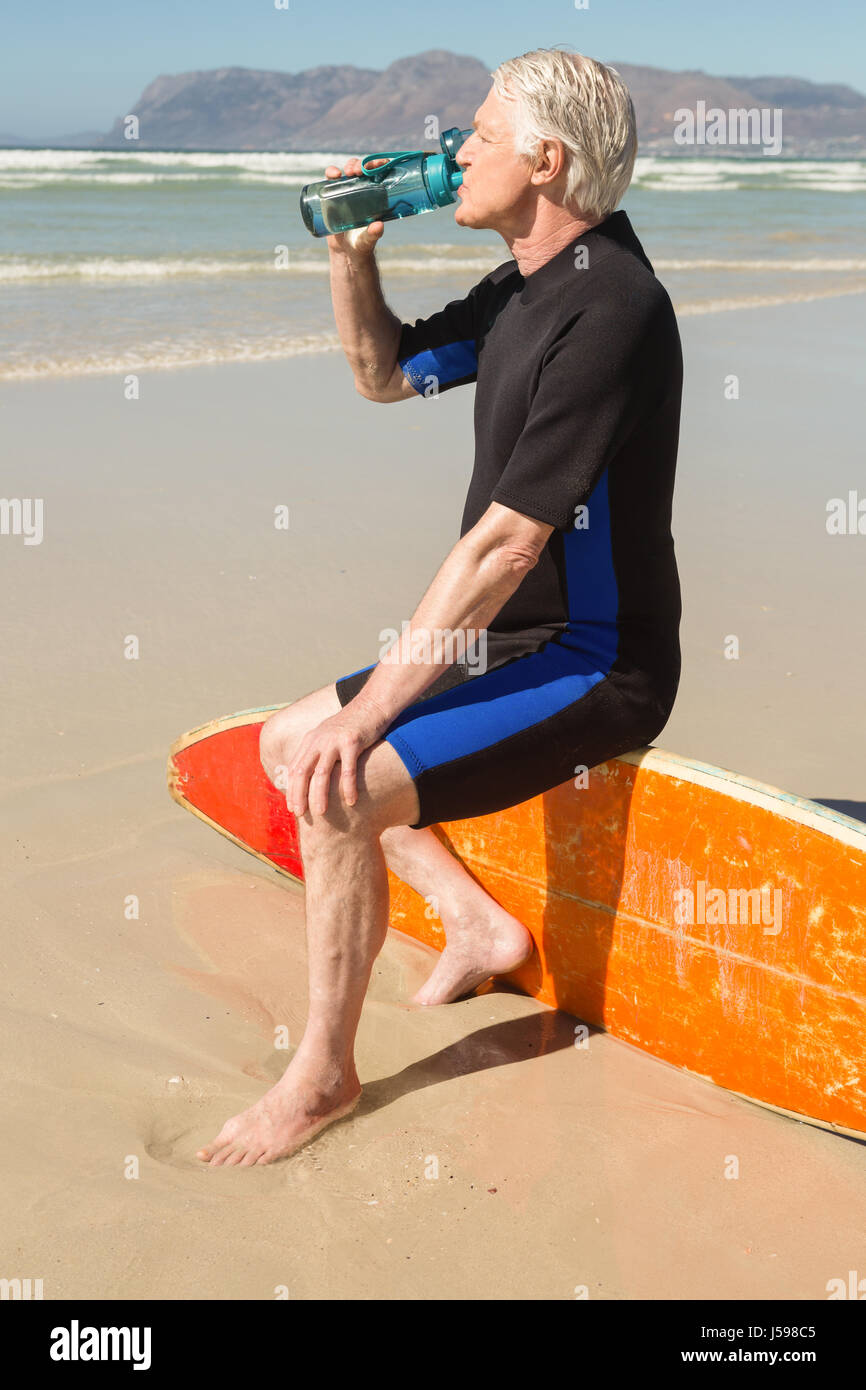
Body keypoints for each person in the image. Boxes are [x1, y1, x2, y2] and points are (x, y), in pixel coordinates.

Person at [197, 48, 683, 1167]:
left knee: (335, 779)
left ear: (544, 159)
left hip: (592, 658)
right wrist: (348, 259)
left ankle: (320, 1076)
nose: (455, 151)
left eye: (477, 134)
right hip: (512, 637)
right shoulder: (527, 285)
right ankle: (477, 924)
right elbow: (386, 375)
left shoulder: (611, 304)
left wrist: (367, 720)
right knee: (287, 743)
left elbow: (509, 542)